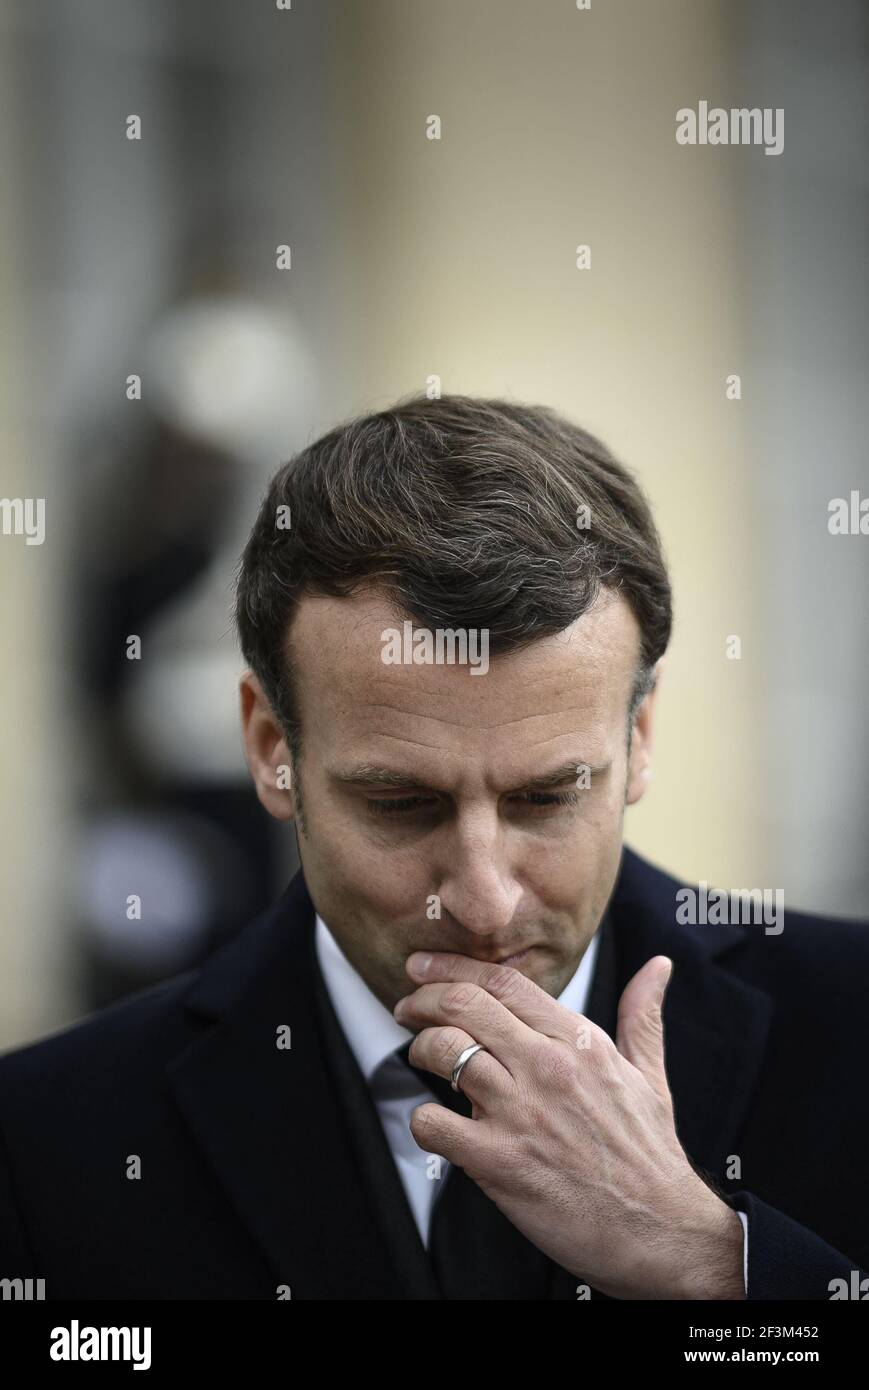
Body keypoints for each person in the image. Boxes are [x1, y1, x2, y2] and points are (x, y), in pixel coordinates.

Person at [1, 394, 867, 1300]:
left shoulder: (853, 1030)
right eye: (400, 802)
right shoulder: (45, 1139)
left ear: (638, 739)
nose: (484, 901)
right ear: (269, 748)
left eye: (546, 797)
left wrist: (710, 1265)